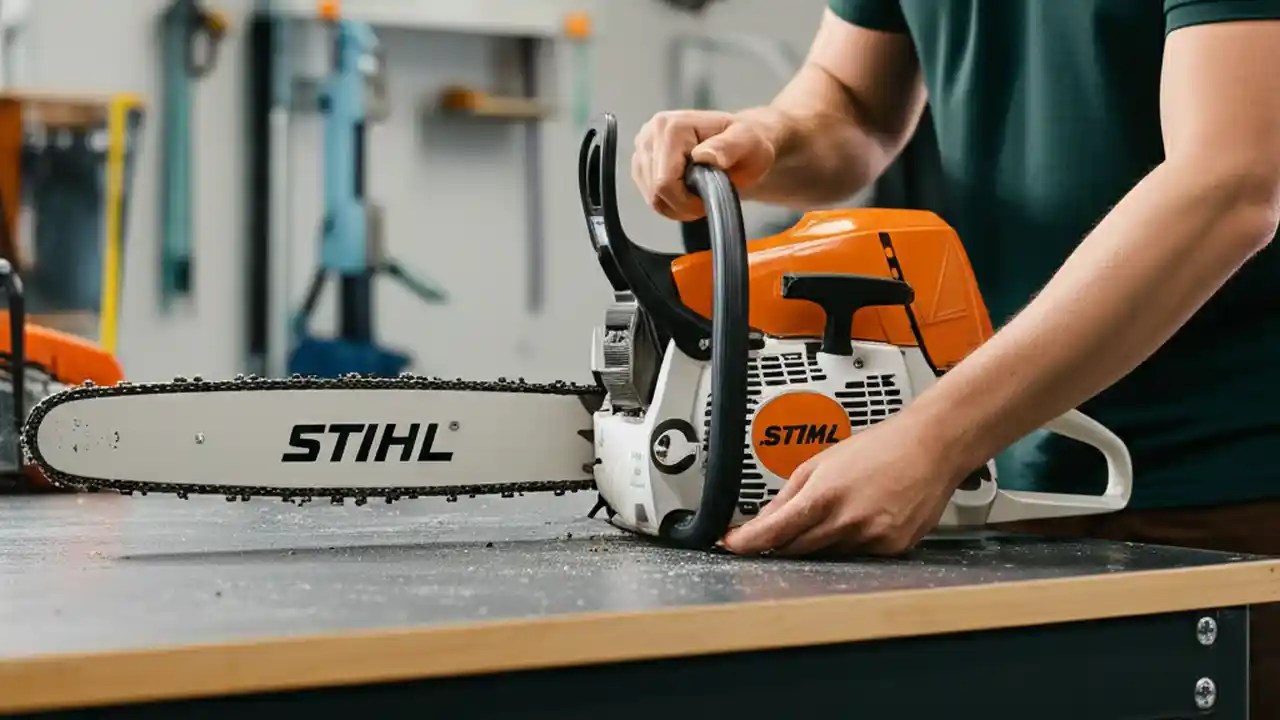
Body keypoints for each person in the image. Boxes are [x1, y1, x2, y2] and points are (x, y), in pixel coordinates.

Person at [630, 0, 1280, 714]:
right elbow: (851, 102)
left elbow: (1231, 181)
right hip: (1015, 478)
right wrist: (768, 137)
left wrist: (933, 439)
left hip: (1237, 499)